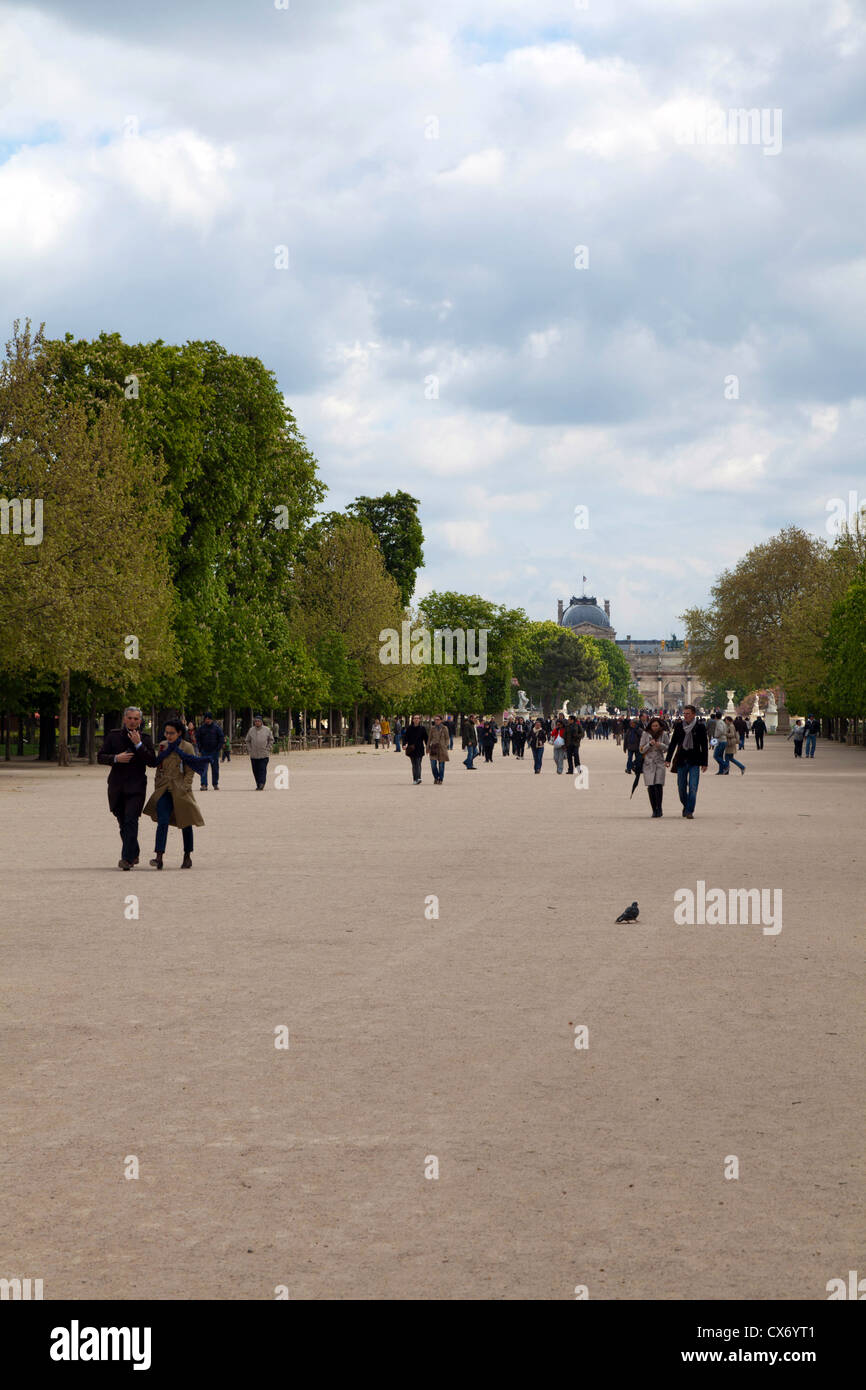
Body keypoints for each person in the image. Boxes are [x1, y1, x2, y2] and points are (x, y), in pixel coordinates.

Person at [97, 706, 158, 869]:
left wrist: (138, 745)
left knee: (131, 820)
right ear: (124, 719)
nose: (132, 721)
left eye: (136, 719)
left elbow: (152, 761)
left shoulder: (144, 738)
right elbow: (100, 757)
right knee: (123, 822)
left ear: (140, 721)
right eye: (130, 718)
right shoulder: (113, 736)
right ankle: (134, 851)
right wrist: (116, 758)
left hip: (136, 787)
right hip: (116, 786)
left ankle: (127, 859)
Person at [143, 716, 207, 868]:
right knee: (162, 821)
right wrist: (158, 783)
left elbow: (190, 771)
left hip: (181, 789)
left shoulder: (187, 747)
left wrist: (185, 787)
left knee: (186, 822)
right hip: (164, 788)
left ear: (179, 733)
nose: (168, 736)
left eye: (171, 733)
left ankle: (187, 855)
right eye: (166, 733)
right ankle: (159, 856)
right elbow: (159, 767)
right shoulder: (163, 746)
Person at [665, 704, 708, 819]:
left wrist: (705, 763)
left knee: (693, 787)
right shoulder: (679, 726)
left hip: (694, 761)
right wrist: (668, 759)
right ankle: (687, 805)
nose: (685, 716)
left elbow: (704, 745)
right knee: (681, 788)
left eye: (688, 713)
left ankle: (689, 810)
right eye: (684, 713)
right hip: (681, 760)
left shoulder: (700, 727)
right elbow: (673, 743)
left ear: (694, 714)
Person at [640, 717, 670, 817]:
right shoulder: (645, 734)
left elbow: (668, 748)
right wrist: (649, 744)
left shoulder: (664, 734)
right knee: (651, 786)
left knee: (658, 785)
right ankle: (654, 809)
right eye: (653, 726)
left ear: (660, 726)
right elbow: (641, 749)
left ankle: (659, 808)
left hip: (659, 762)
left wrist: (660, 745)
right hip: (648, 763)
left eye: (656, 726)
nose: (655, 728)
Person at [197, 711, 225, 790]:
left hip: (214, 751)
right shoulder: (201, 728)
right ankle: (204, 784)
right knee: (204, 769)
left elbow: (221, 738)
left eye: (209, 719)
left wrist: (218, 749)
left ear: (211, 719)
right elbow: (198, 738)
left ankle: (215, 783)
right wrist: (200, 748)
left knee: (215, 769)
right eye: (206, 719)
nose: (207, 720)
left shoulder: (217, 728)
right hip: (204, 751)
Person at [245, 714, 274, 789]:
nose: (257, 722)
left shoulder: (267, 730)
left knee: (262, 769)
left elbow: (271, 740)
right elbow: (247, 740)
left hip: (264, 754)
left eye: (258, 721)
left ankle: (262, 783)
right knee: (255, 770)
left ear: (261, 722)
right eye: (256, 721)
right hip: (254, 755)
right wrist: (250, 749)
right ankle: (258, 783)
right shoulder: (251, 730)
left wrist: (268, 748)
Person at [403, 713, 427, 784]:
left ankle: (418, 778)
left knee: (418, 763)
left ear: (419, 720)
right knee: (414, 764)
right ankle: (415, 779)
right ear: (413, 720)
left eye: (417, 718)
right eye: (415, 718)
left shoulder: (422, 728)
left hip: (420, 748)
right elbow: (405, 737)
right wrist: (404, 744)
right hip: (411, 749)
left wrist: (428, 747)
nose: (416, 719)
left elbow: (426, 738)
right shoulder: (409, 728)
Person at [428, 715, 450, 784]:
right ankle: (436, 777)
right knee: (433, 765)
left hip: (442, 749)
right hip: (434, 748)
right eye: (435, 720)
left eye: (438, 719)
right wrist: (427, 747)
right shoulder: (432, 728)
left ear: (441, 720)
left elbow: (447, 738)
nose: (436, 721)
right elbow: (429, 739)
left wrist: (446, 745)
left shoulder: (444, 728)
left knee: (441, 765)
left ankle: (440, 779)